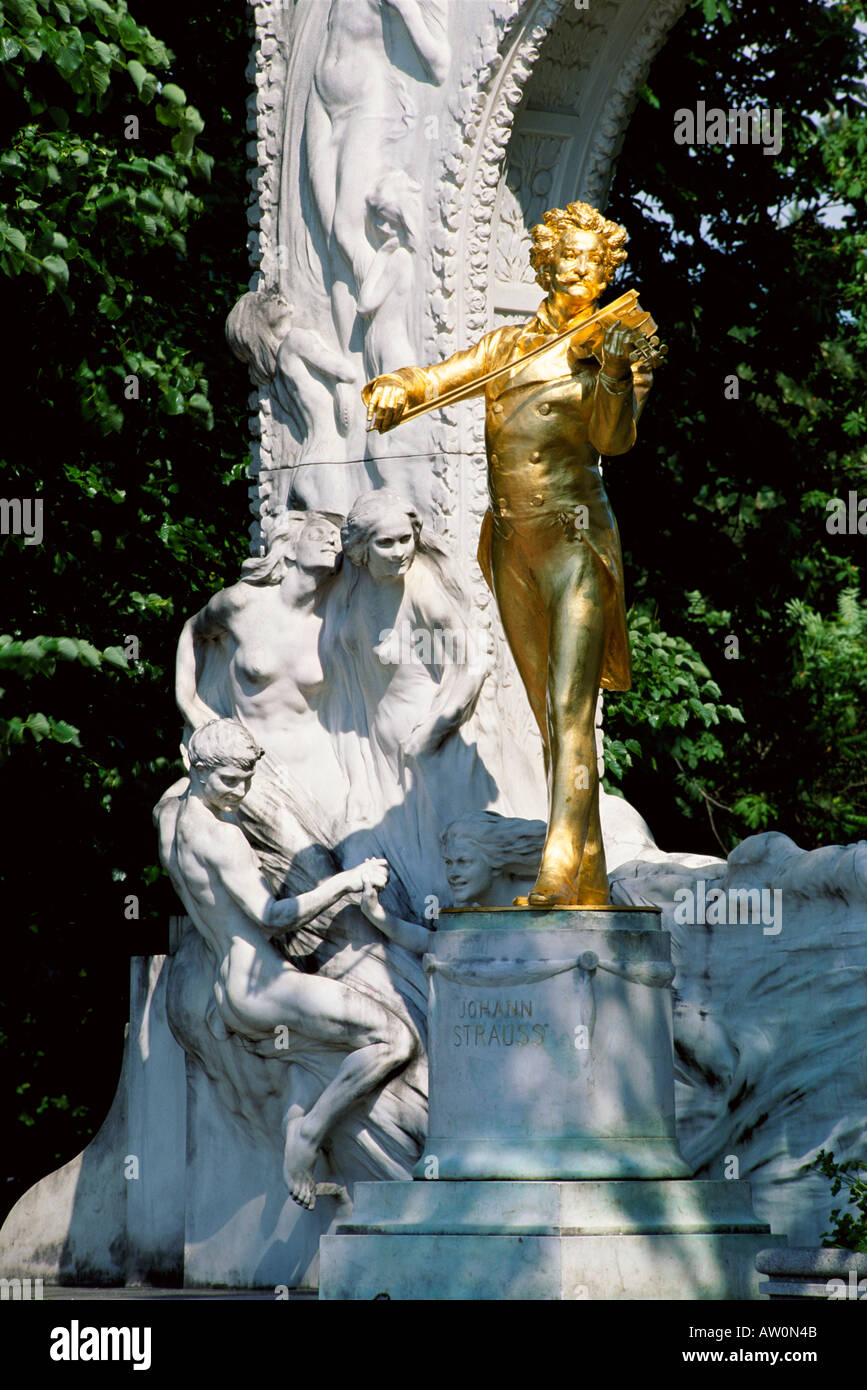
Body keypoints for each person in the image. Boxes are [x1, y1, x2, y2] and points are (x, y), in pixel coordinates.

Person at [364, 201, 662, 906]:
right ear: (543, 264)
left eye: (591, 259)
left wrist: (616, 376)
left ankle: (560, 870)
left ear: (606, 268)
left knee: (569, 711)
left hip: (573, 542)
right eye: (562, 256)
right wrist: (400, 388)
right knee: (546, 720)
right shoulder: (508, 346)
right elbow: (444, 379)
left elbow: (613, 439)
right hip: (510, 546)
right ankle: (584, 872)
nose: (576, 268)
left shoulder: (617, 343)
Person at [156, 718, 419, 1210]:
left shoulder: (172, 817)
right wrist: (348, 880)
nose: (239, 792)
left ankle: (296, 1123)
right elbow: (271, 916)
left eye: (246, 780)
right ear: (197, 767)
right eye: (228, 780)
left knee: (313, 1052)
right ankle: (307, 1136)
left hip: (235, 986)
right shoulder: (221, 838)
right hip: (260, 986)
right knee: (394, 1039)